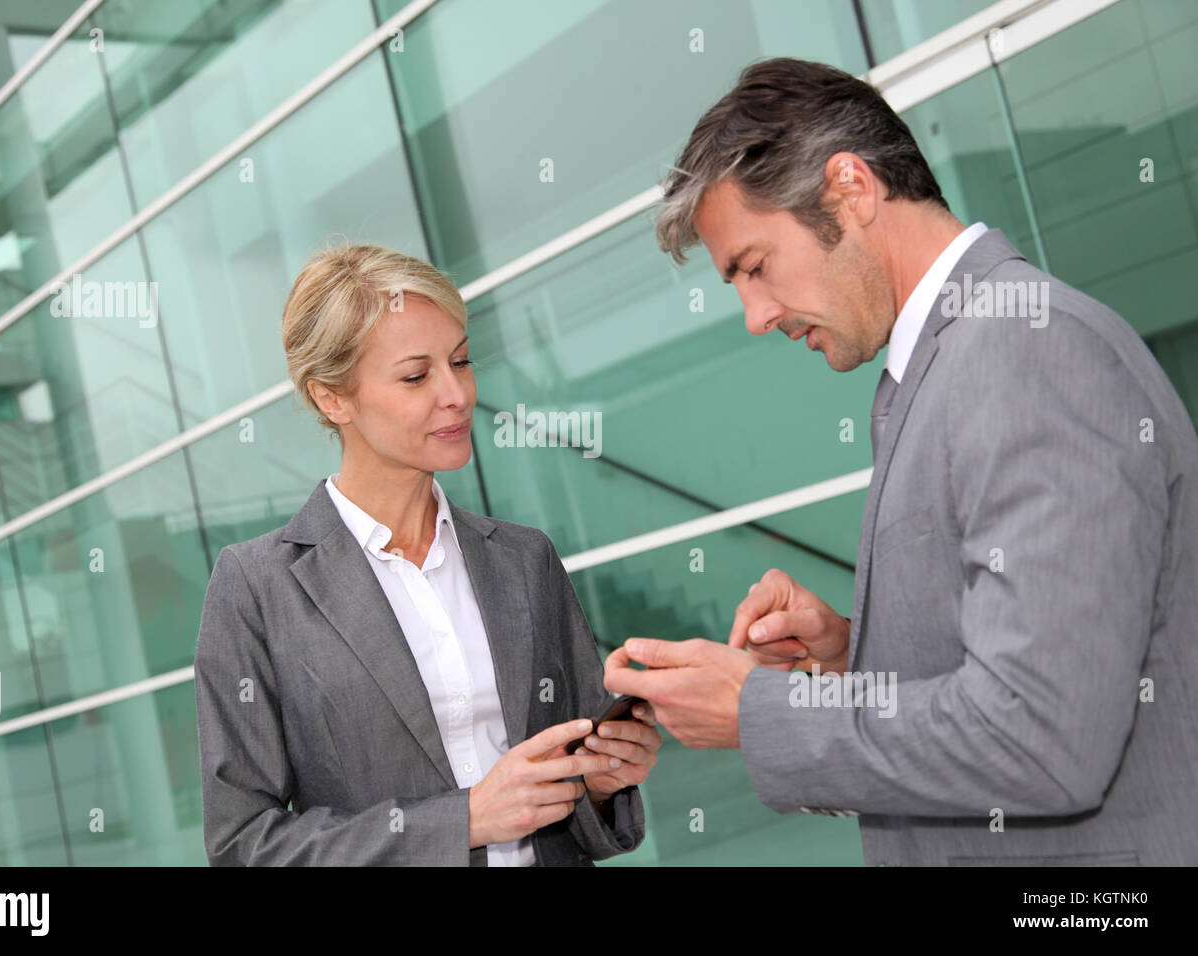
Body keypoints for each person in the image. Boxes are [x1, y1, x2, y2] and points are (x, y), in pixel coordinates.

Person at [604, 57, 1198, 865]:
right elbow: (1006, 667)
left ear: (850, 189)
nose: (754, 315)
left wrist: (759, 709)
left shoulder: (1023, 352)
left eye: (753, 265)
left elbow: (1041, 739)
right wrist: (852, 653)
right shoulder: (947, 365)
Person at [195, 244, 659, 865]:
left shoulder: (525, 560)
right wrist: (462, 822)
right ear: (333, 398)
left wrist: (601, 784)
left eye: (461, 362)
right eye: (417, 376)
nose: (457, 394)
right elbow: (244, 844)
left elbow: (575, 797)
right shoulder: (255, 587)